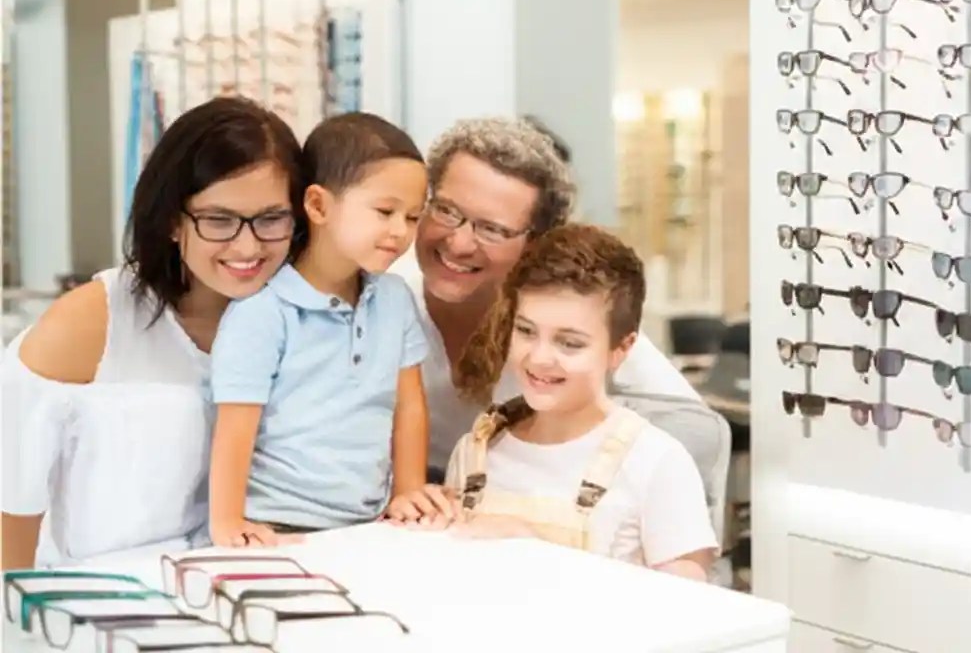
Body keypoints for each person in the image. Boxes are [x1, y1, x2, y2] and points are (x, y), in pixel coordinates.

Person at [1, 97, 307, 569]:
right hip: (99, 611)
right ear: (171, 220)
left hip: (251, 594)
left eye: (271, 219)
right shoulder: (89, 323)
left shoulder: (307, 322)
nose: (247, 246)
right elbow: (11, 500)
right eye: (218, 220)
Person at [387, 118, 701, 482]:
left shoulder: (567, 321)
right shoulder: (383, 304)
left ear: (534, 243)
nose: (458, 243)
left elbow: (695, 430)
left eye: (493, 229)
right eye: (446, 210)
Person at [443, 224, 719, 581]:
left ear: (621, 349)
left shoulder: (657, 462)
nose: (539, 358)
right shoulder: (475, 450)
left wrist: (534, 546)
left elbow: (690, 612)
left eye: (569, 343)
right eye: (526, 331)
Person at [207, 113, 434, 547]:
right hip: (276, 526)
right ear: (318, 206)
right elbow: (235, 425)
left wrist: (408, 490)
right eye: (385, 211)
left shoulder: (394, 298)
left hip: (367, 527)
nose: (400, 231)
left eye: (412, 217)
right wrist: (227, 521)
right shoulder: (264, 311)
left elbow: (409, 407)